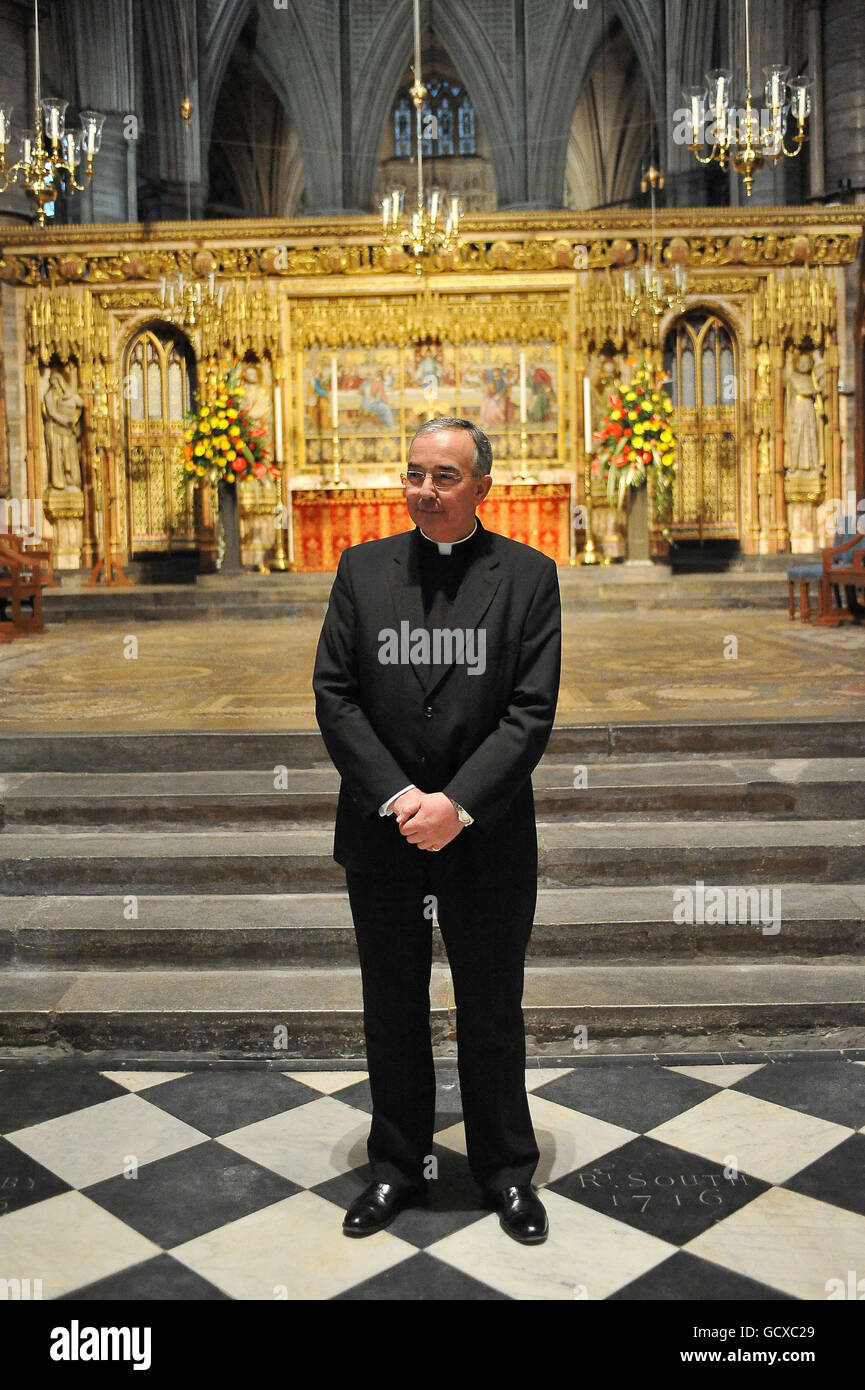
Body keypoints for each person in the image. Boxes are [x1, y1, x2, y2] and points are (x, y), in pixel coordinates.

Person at [312, 416, 561, 1244]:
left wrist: (456, 804)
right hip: (383, 832)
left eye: (444, 476)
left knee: (492, 1005)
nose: (423, 490)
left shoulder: (528, 576)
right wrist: (395, 797)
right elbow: (335, 694)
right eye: (414, 473)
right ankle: (394, 1167)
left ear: (483, 486)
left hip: (484, 833)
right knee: (391, 1005)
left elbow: (529, 711)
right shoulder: (361, 568)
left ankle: (504, 1171)